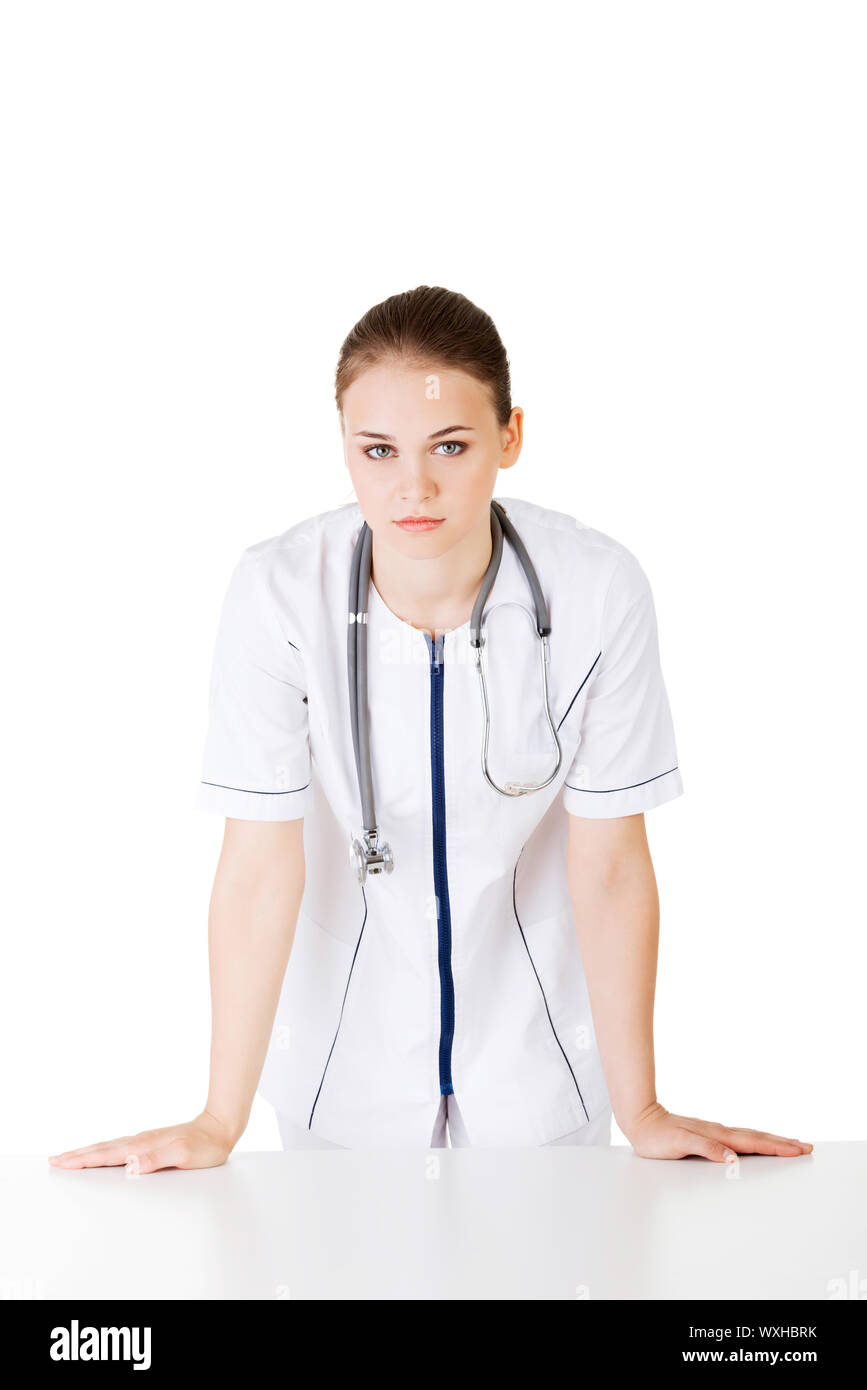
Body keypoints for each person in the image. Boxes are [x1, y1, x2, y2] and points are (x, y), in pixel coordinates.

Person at [49, 286, 812, 1171]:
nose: (413, 487)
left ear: (510, 438)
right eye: (378, 450)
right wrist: (217, 1121)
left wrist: (641, 1107)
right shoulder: (278, 595)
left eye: (450, 446)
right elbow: (259, 868)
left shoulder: (599, 591)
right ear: (344, 448)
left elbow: (608, 865)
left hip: (544, 1072)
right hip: (343, 1075)